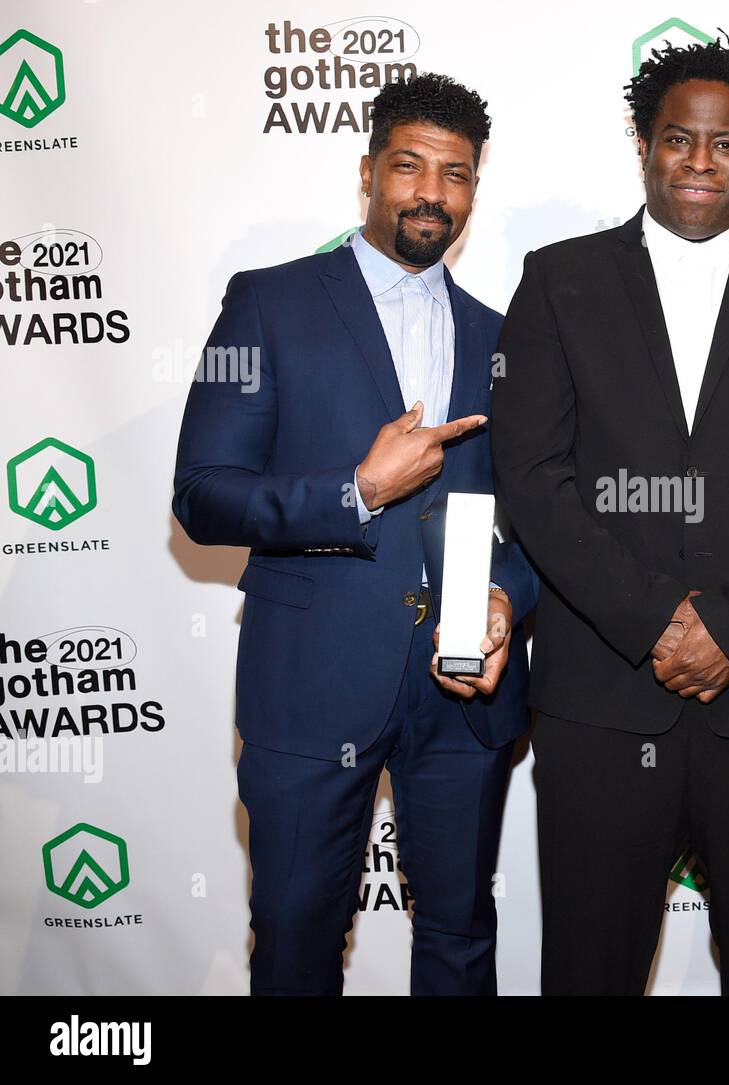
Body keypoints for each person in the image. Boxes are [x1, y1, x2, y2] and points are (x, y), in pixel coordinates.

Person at [490, 36, 729, 994]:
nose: (701, 162)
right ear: (645, 144)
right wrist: (658, 620)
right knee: (588, 968)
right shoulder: (557, 278)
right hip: (600, 703)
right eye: (678, 140)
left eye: (726, 145)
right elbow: (533, 476)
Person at [172, 73, 537, 996]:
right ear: (368, 170)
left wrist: (505, 597)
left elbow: (534, 516)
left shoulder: (507, 337)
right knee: (296, 941)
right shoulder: (264, 302)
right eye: (409, 166)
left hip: (462, 696)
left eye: (455, 174)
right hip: (311, 682)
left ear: (473, 189)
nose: (431, 192)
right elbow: (203, 492)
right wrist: (357, 490)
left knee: (460, 940)